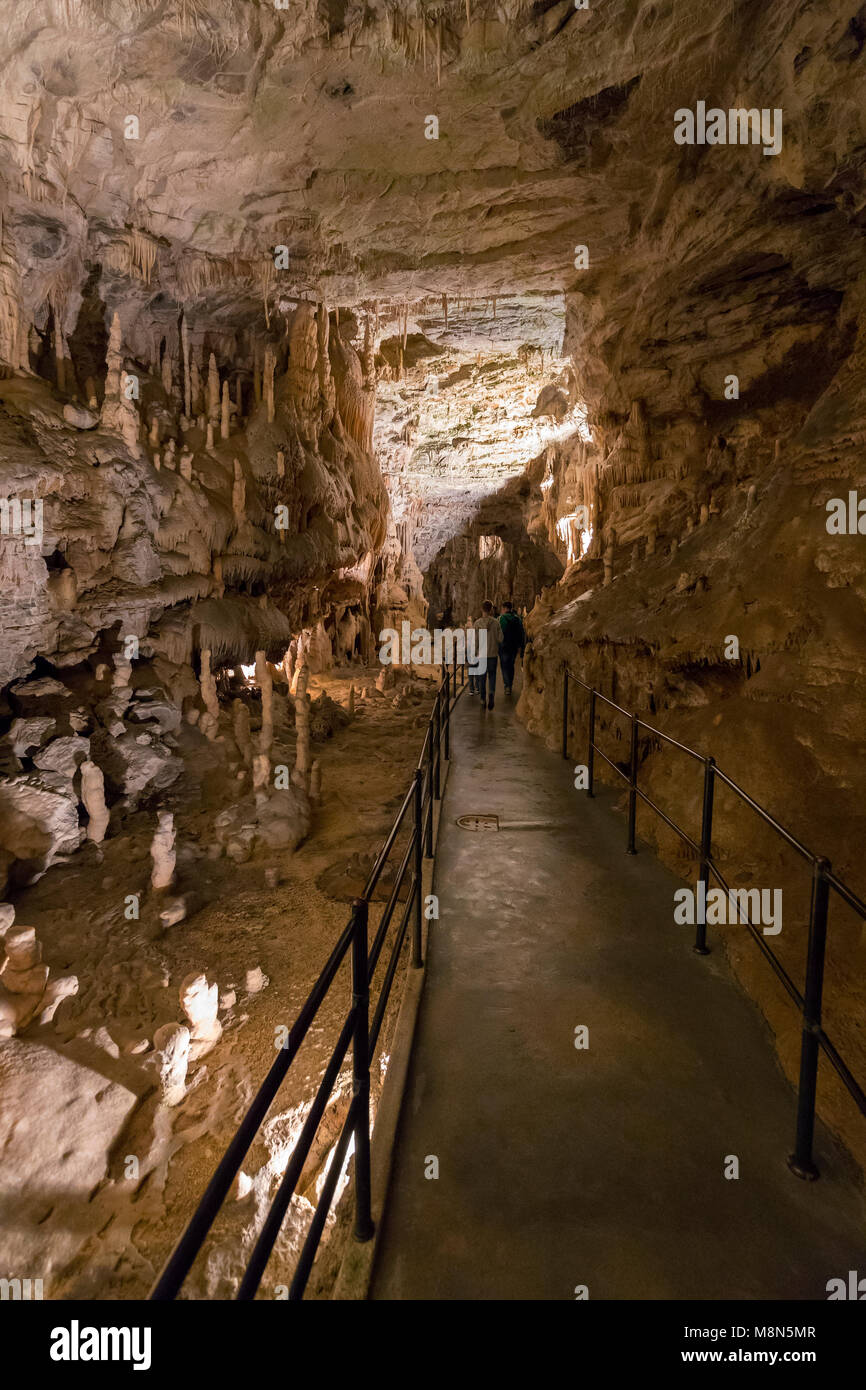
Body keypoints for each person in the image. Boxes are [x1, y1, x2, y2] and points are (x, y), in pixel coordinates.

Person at [476, 599, 502, 710]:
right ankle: (491, 693)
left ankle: (482, 699)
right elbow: (501, 638)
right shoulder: (496, 623)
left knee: (482, 678)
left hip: (481, 655)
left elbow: (475, 640)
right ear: (491, 609)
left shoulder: (477, 623)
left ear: (482, 609)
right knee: (492, 676)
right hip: (492, 654)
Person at [498, 600, 526, 696]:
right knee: (511, 665)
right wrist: (522, 647)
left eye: (502, 608)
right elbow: (522, 634)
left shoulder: (501, 619)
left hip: (504, 646)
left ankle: (507, 685)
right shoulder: (517, 619)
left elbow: (498, 634)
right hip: (514, 647)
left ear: (505, 608)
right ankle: (510, 683)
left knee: (504, 666)